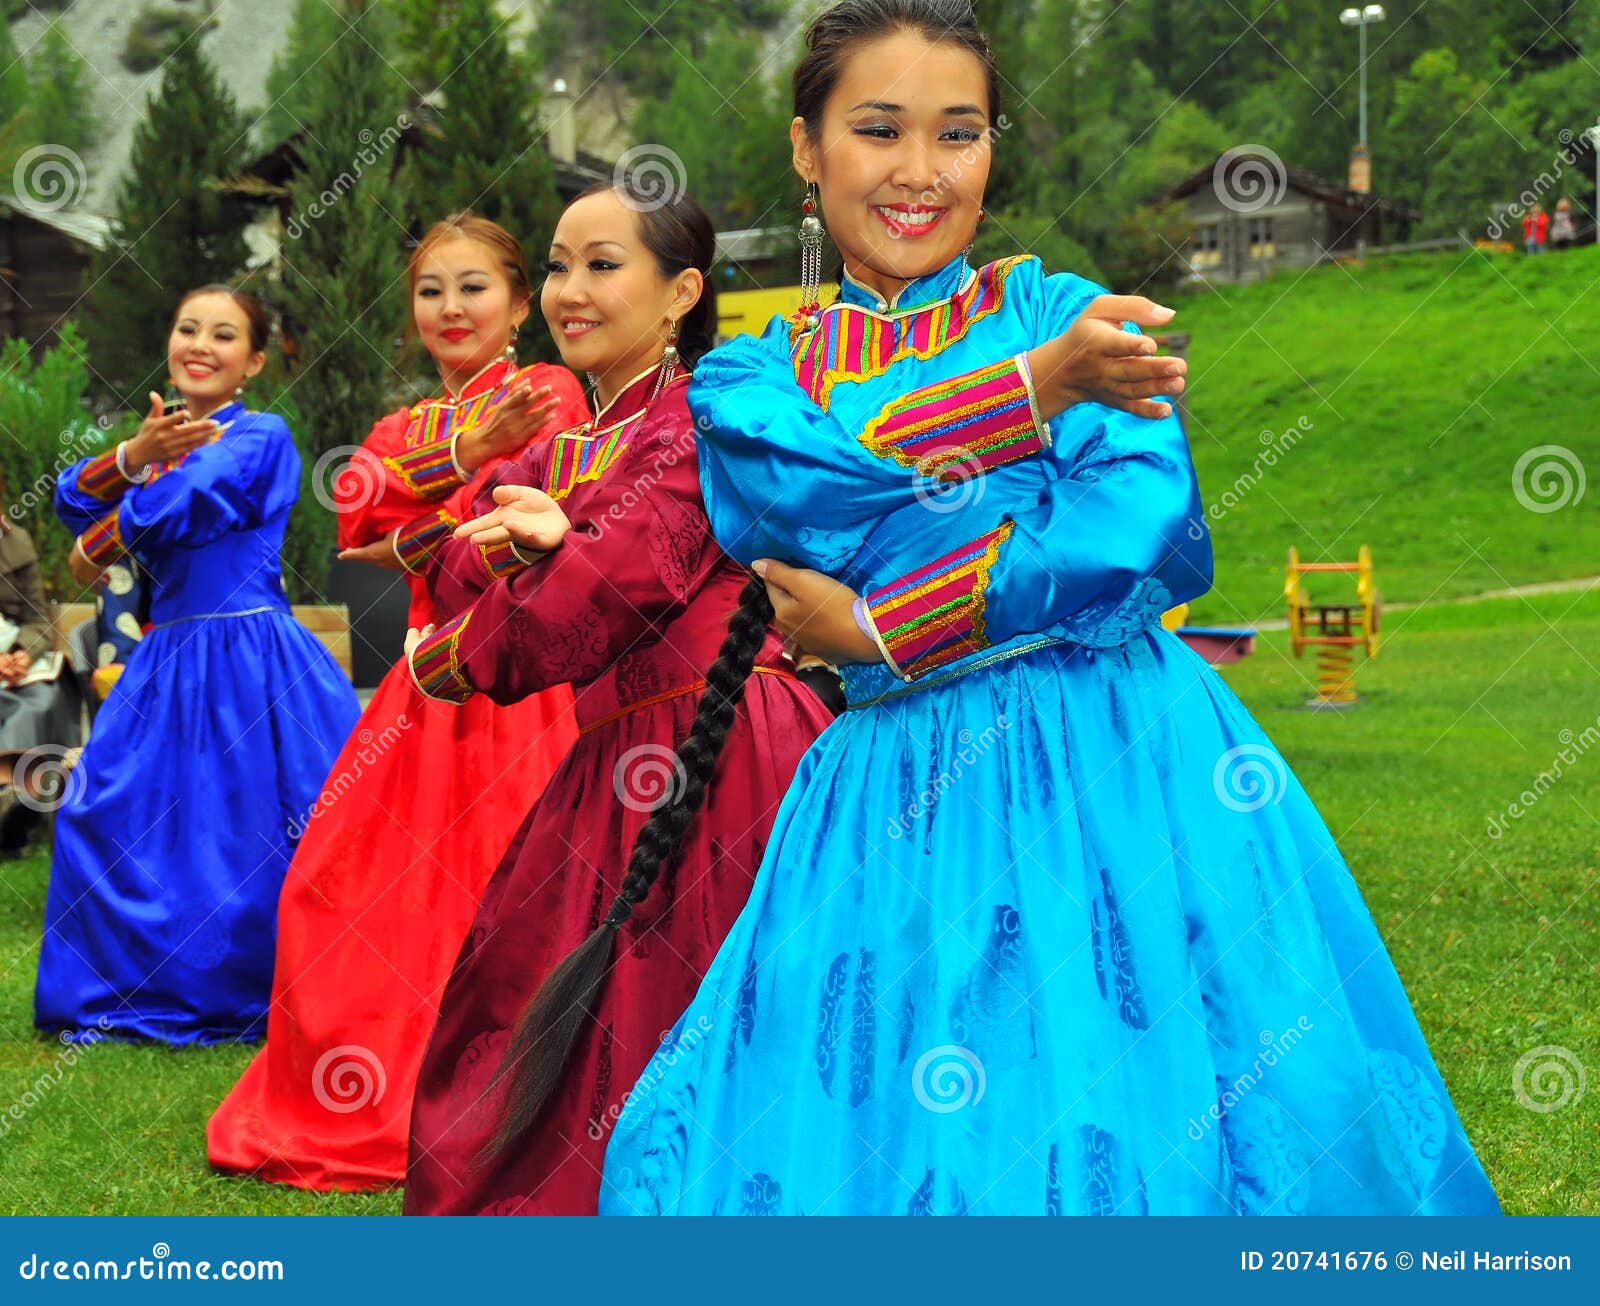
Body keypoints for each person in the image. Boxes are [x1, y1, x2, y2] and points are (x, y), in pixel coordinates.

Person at [600, 0, 1501, 1216]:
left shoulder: (1067, 308)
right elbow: (797, 485)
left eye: (958, 134)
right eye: (878, 130)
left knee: (1159, 1096)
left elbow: (1140, 537)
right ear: (807, 150)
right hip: (889, 800)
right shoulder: (755, 375)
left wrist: (878, 627)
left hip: (1123, 765)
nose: (921, 173)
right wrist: (1034, 395)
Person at [401, 181, 835, 1215]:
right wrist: (524, 548)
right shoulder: (561, 445)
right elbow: (455, 556)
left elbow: (604, 586)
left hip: (726, 746)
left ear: (682, 289)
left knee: (681, 1002)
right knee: (533, 998)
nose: (568, 290)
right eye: (556, 265)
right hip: (618, 755)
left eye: (603, 265)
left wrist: (459, 647)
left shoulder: (706, 416)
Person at [207, 215, 585, 1191]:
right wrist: (466, 458)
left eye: (473, 287)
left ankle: (506, 1093)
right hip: (420, 696)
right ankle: (373, 1087)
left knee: (503, 895)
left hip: (520, 691)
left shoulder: (553, 389)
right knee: (337, 888)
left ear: (515, 301)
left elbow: (512, 509)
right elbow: (361, 517)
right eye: (430, 290)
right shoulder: (397, 425)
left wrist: (434, 507)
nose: (451, 308)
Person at [36, 285, 361, 1044]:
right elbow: (63, 499)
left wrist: (102, 533)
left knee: (253, 826)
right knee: (104, 809)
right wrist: (130, 456)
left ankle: (269, 983)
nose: (200, 345)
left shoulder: (263, 435)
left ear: (251, 361)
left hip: (253, 657)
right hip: (167, 657)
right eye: (188, 329)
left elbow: (190, 501)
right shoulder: (155, 452)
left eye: (223, 335)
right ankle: (150, 981)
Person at [0, 500, 82, 852]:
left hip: (16, 662)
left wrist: (22, 654)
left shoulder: (16, 541)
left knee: (44, 699)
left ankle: (17, 799)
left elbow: (37, 619)